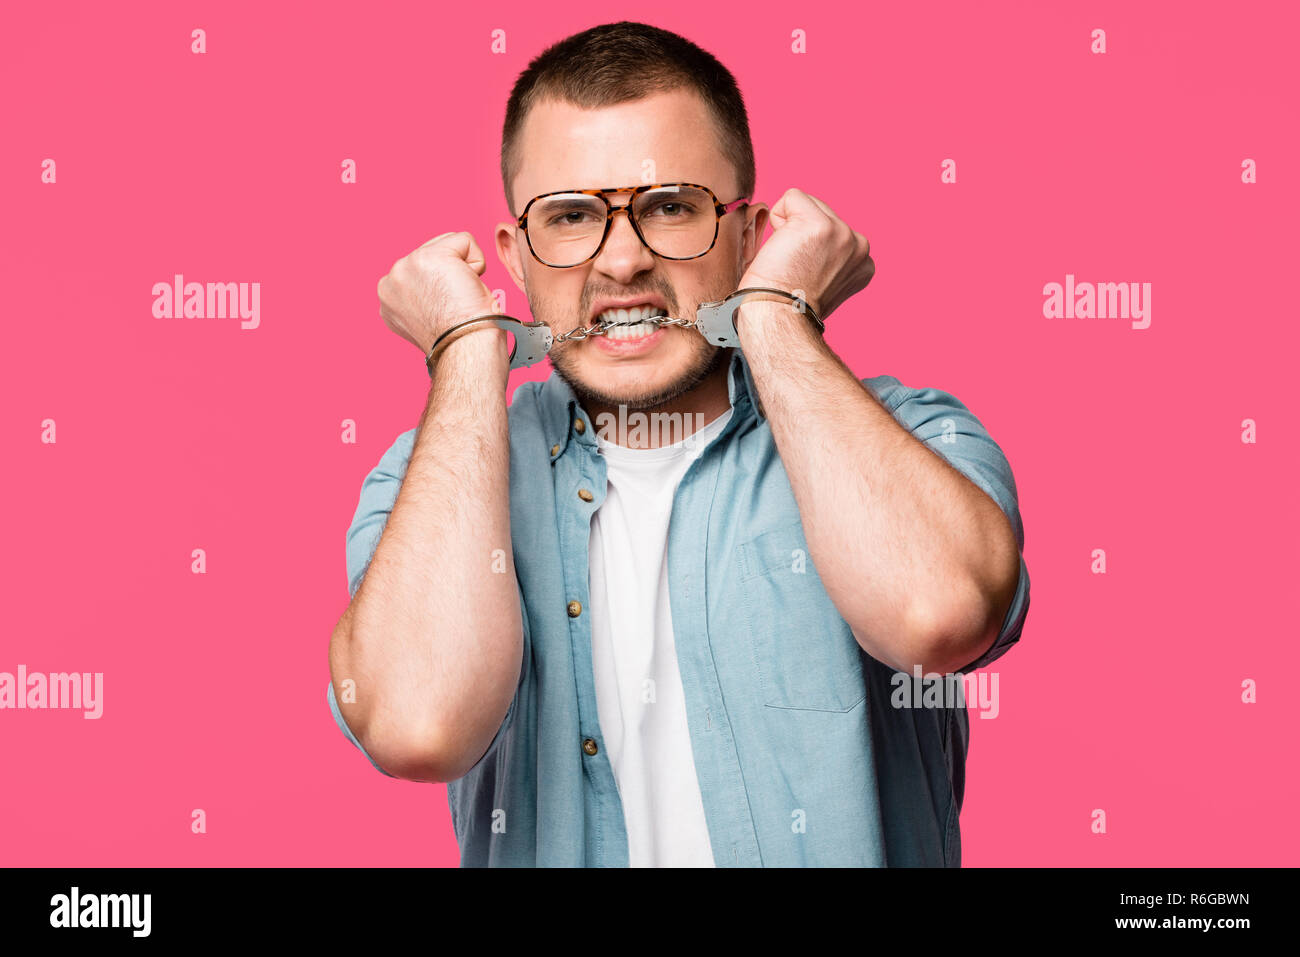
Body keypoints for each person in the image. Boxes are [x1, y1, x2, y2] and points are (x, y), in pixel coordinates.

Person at [327, 20, 1030, 867]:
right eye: (570, 217)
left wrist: (775, 315)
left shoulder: (914, 435)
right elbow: (417, 722)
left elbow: (938, 616)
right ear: (514, 256)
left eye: (670, 207)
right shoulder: (426, 482)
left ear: (747, 235)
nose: (622, 260)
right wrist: (468, 346)